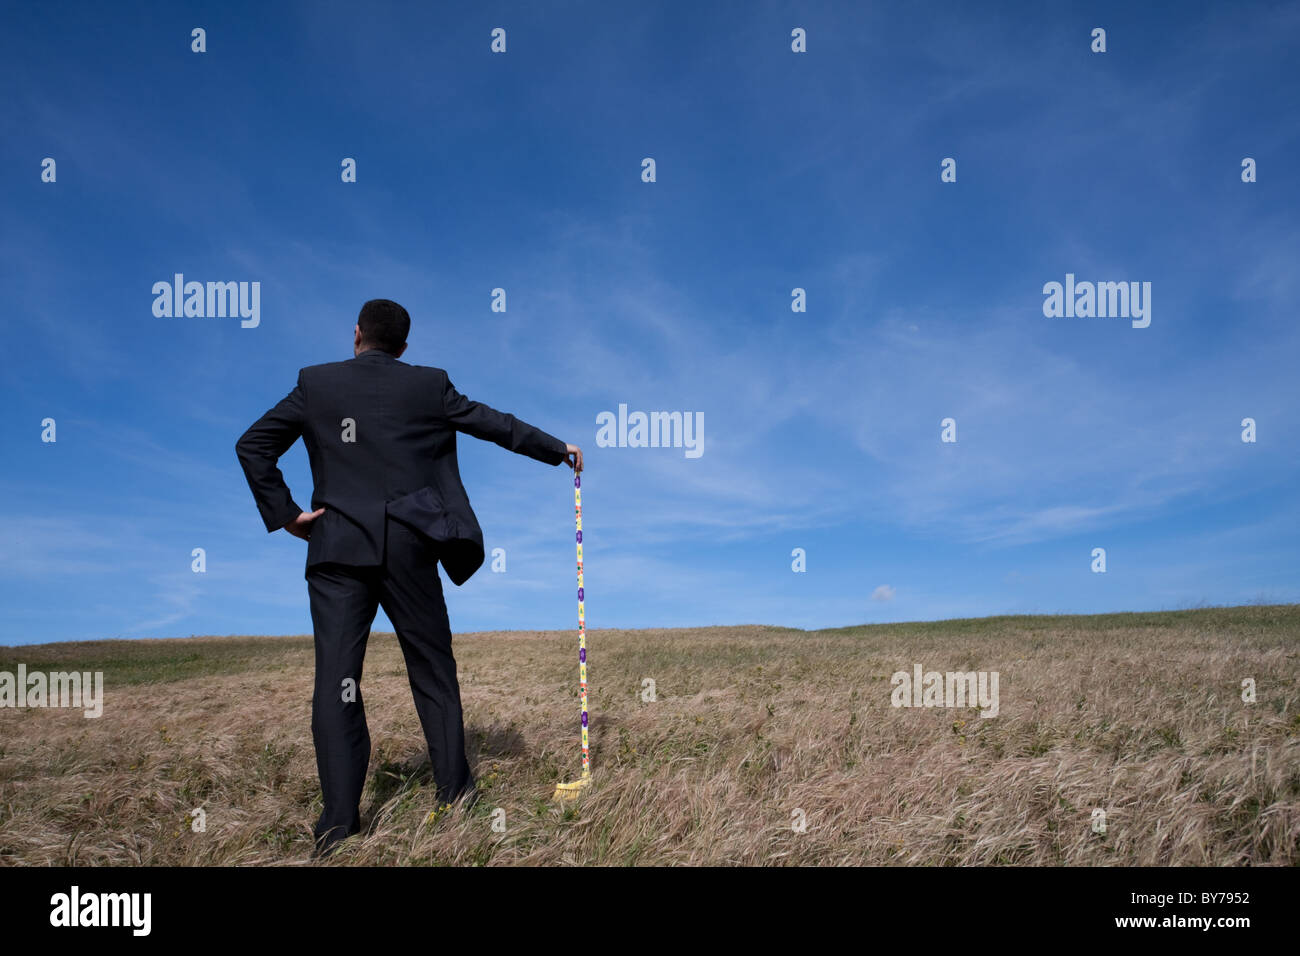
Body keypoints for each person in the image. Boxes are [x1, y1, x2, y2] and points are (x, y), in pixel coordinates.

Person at [235, 298, 582, 857]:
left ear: (356, 334)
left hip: (336, 546)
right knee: (432, 670)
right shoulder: (429, 385)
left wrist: (289, 515)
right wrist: (555, 449)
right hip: (408, 546)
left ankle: (339, 823)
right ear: (403, 345)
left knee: (338, 680)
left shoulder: (315, 384)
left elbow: (252, 445)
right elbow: (492, 423)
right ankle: (455, 794)